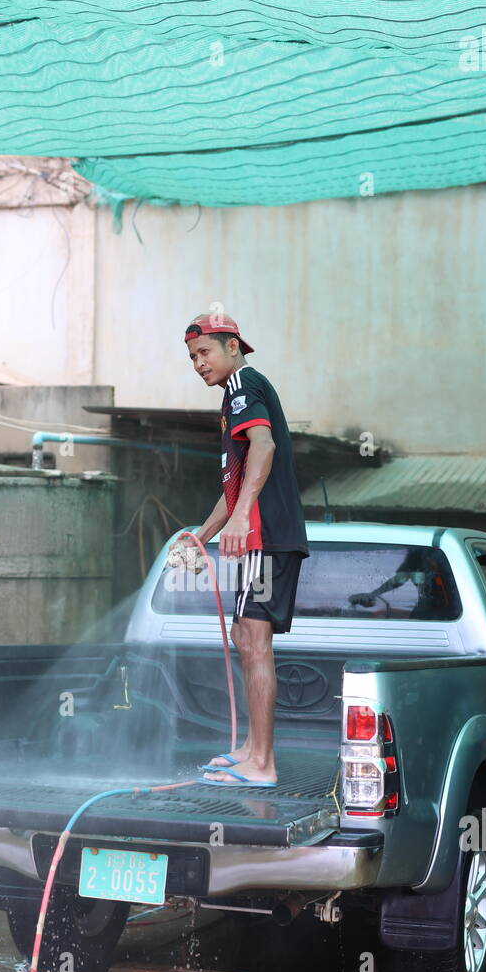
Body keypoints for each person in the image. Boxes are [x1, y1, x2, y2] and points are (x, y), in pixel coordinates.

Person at [179, 311, 308, 788]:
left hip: (267, 538)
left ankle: (263, 763)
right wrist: (203, 533)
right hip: (262, 536)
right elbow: (236, 484)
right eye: (192, 357)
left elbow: (265, 446)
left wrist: (239, 519)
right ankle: (253, 749)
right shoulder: (238, 393)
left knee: (254, 641)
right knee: (245, 637)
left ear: (233, 347)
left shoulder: (242, 385)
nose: (198, 363)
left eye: (205, 352)